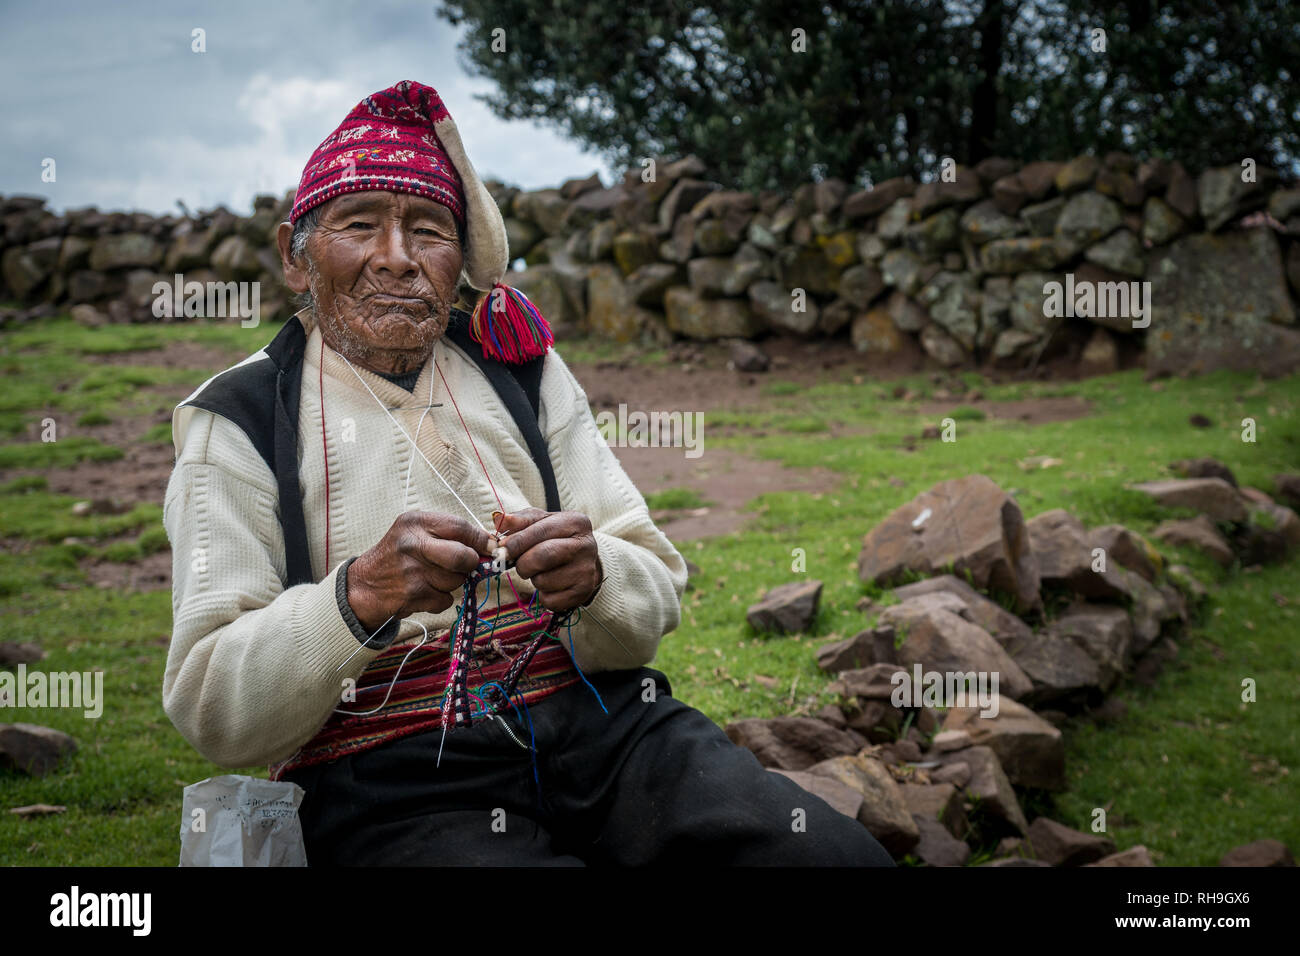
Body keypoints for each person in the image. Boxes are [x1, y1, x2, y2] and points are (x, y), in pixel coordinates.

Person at [161, 80, 893, 867]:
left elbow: (655, 584)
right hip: (388, 780)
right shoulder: (235, 419)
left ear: (459, 260)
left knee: (829, 859)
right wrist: (358, 597)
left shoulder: (522, 369)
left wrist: (598, 573)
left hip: (603, 728)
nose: (397, 258)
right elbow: (210, 705)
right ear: (295, 259)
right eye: (360, 225)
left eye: (429, 231)